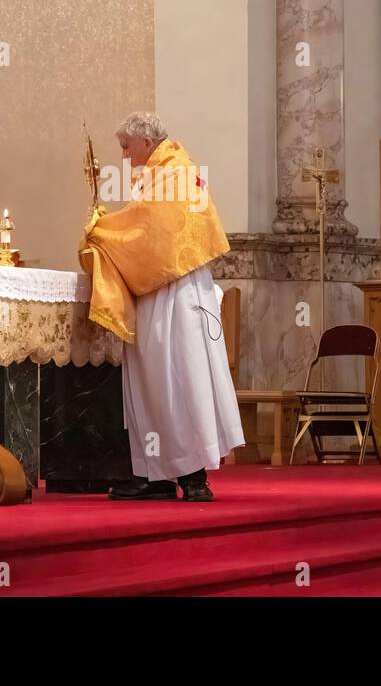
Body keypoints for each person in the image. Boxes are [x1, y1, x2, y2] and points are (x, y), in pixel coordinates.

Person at [79, 112, 245, 502]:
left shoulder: (174, 172)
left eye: (126, 146)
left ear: (146, 142)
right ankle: (154, 473)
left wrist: (102, 229)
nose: (123, 155)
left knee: (180, 377)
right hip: (160, 288)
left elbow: (153, 232)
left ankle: (192, 476)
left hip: (174, 290)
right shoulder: (165, 170)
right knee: (154, 380)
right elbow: (145, 227)